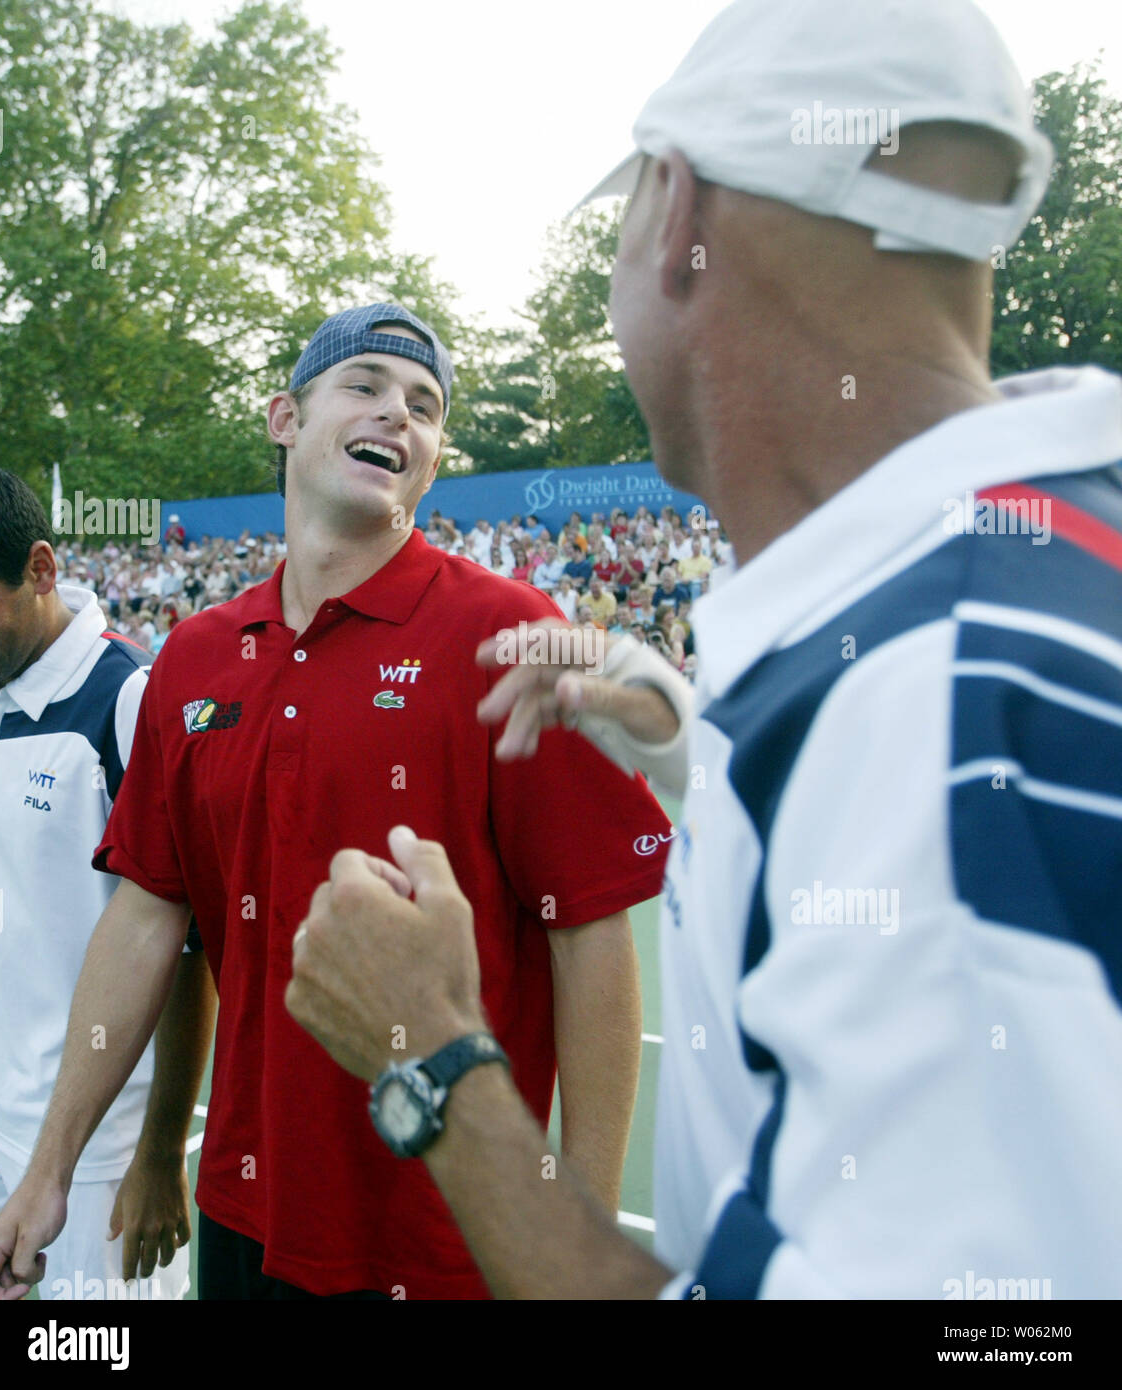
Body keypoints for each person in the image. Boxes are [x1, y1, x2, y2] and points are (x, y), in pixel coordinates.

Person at [281, 0, 1122, 1299]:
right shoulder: (1009, 579)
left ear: (674, 216)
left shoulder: (940, 712)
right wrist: (687, 740)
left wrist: (428, 1055)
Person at [0, 303, 671, 1302]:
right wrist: (49, 1172)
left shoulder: (510, 633)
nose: (398, 413)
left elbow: (590, 935)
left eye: (425, 406)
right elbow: (143, 920)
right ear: (283, 418)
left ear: (432, 460)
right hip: (247, 1218)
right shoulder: (196, 662)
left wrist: (585, 1240)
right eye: (367, 386)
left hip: (457, 1235)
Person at [0, 464, 214, 1302]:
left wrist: (157, 1157)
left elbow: (189, 950)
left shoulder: (131, 699)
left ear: (41, 571)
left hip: (98, 1157)